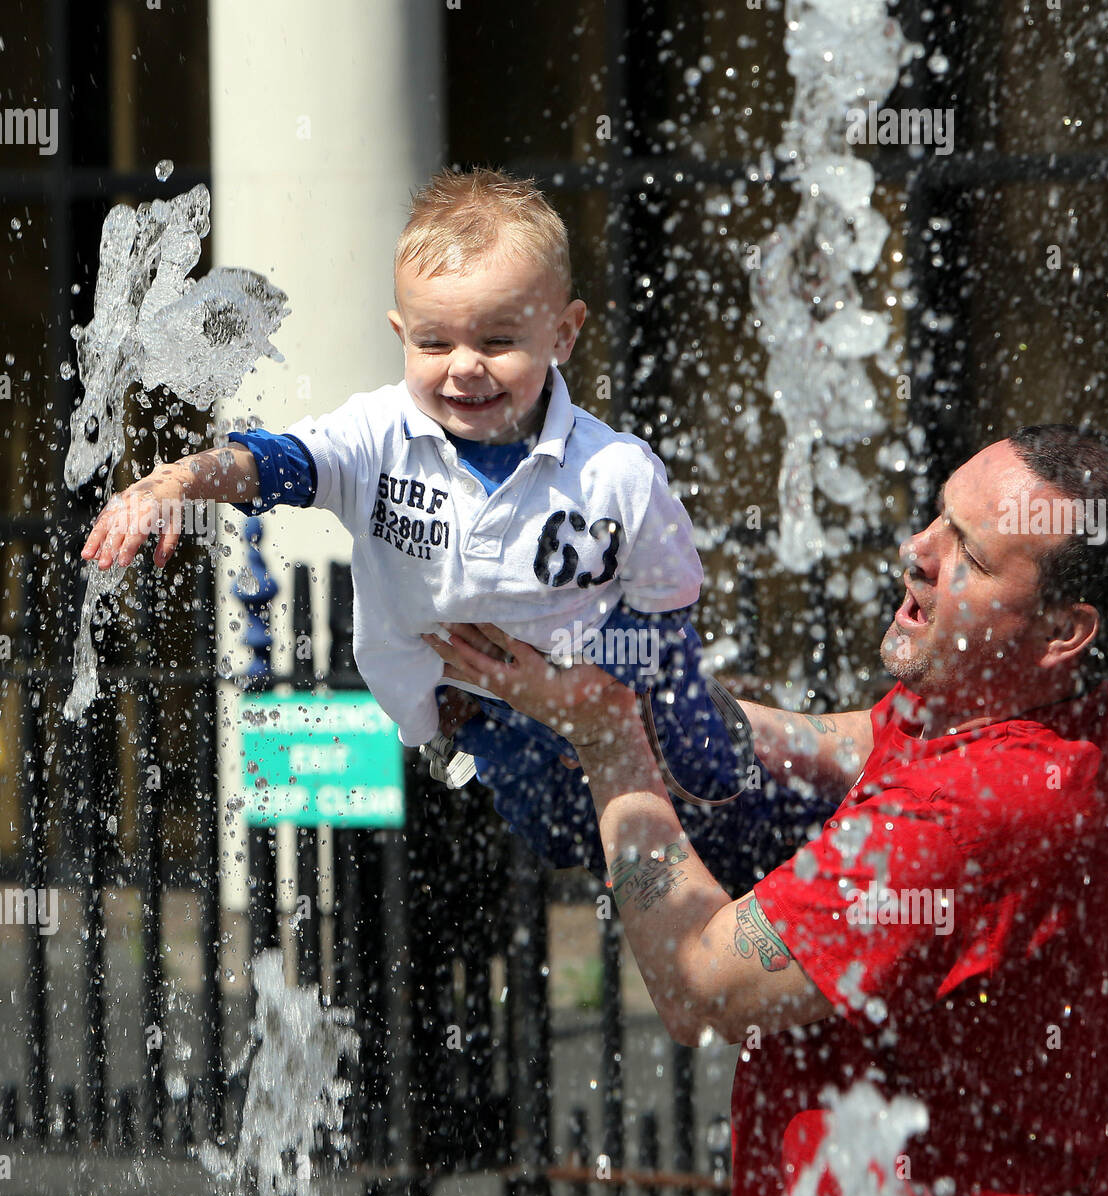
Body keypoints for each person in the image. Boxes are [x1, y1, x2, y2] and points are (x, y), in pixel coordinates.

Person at [426, 424, 1108, 1196]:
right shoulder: (1039, 710)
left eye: (966, 553)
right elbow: (850, 743)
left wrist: (611, 745)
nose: (916, 552)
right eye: (936, 519)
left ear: (1063, 629)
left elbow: (697, 984)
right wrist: (652, 703)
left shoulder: (979, 809)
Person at [81, 168, 803, 873]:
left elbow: (668, 599)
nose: (463, 368)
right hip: (482, 719)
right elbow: (273, 463)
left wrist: (599, 688)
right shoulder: (376, 438)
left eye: (497, 342)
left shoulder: (614, 472)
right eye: (433, 343)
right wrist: (175, 481)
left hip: (608, 694)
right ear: (401, 334)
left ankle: (787, 830)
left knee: (717, 805)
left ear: (564, 333)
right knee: (567, 842)